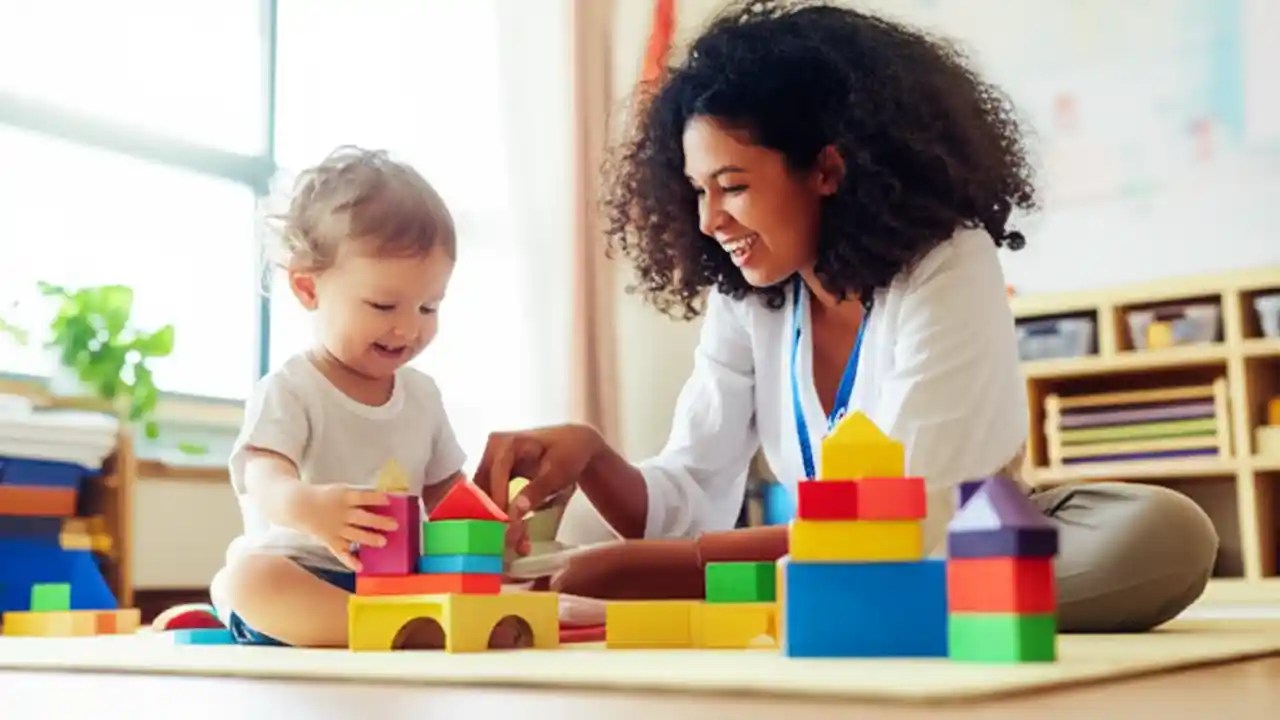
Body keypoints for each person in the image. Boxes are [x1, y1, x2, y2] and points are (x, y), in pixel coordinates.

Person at [478, 0, 1219, 632]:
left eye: (731, 187)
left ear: (828, 170)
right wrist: (596, 457)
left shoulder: (946, 262)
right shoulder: (750, 297)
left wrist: (684, 568)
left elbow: (917, 508)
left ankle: (806, 599)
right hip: (845, 560)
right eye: (697, 191)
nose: (708, 221)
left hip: (963, 534)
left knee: (1161, 531)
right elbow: (688, 499)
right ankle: (829, 600)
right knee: (862, 571)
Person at [208, 146, 467, 647]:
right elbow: (262, 479)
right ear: (308, 289)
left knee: (499, 579)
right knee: (247, 579)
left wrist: (490, 529)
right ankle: (393, 631)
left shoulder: (423, 396)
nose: (408, 328)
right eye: (383, 304)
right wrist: (307, 506)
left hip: (398, 581)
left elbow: (447, 490)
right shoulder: (291, 388)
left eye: (429, 306)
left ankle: (399, 625)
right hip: (306, 570)